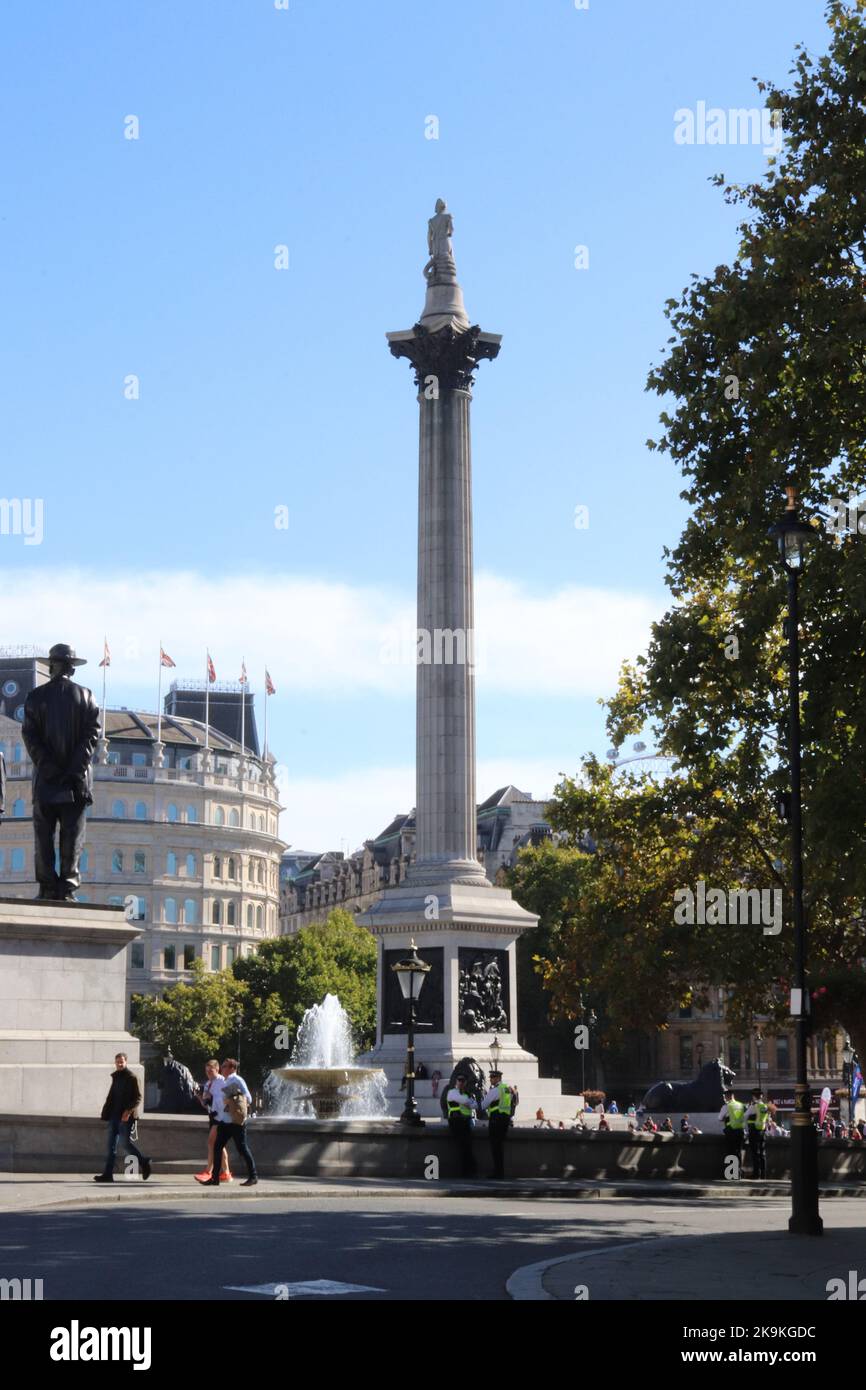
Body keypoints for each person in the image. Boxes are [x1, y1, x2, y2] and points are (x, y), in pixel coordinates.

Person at [21, 643, 100, 901]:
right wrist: (74, 769)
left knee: (43, 837)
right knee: (72, 836)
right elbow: (92, 736)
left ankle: (46, 887)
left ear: (52, 666)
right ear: (72, 669)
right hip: (76, 782)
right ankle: (67, 888)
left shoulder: (35, 697)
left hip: (46, 782)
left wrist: (49, 768)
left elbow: (31, 737)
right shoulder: (87, 696)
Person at [95, 1053, 151, 1183]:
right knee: (111, 1147)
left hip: (125, 1117)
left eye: (122, 1062)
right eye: (117, 1062)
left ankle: (144, 1162)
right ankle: (108, 1174)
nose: (120, 1064)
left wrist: (128, 1112)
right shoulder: (116, 1077)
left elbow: (138, 1098)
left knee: (125, 1144)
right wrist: (106, 1112)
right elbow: (112, 1096)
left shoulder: (132, 1077)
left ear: (126, 1062)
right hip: (114, 1116)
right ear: (115, 1063)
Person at [201, 1059, 257, 1187]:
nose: (222, 1068)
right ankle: (215, 1178)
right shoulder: (225, 1081)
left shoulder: (236, 1080)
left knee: (242, 1149)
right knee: (217, 1147)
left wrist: (233, 1097)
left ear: (232, 1068)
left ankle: (253, 1176)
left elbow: (248, 1098)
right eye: (222, 1066)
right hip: (225, 1121)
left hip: (236, 1121)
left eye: (224, 1066)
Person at [194, 1059, 232, 1183]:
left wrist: (226, 1109)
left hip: (221, 1117)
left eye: (211, 1071)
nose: (208, 1073)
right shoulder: (208, 1084)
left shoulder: (222, 1081)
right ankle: (226, 1173)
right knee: (218, 1144)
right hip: (213, 1116)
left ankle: (208, 1171)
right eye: (207, 1071)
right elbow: (206, 1105)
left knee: (212, 1142)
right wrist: (200, 1097)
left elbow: (233, 1096)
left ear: (217, 1069)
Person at [481, 1069, 518, 1179]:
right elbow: (513, 1102)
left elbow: (483, 1105)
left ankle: (497, 1172)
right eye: (491, 1077)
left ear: (497, 1078)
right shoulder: (507, 1088)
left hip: (495, 1120)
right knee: (500, 1146)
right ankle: (500, 1171)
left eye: (492, 1077)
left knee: (495, 1147)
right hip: (505, 1120)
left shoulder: (495, 1091)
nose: (490, 1079)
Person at [446, 1075, 477, 1176]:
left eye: (463, 1081)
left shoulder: (466, 1094)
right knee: (464, 1147)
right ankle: (466, 1171)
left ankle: (468, 1170)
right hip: (456, 1122)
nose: (461, 1082)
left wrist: (468, 1102)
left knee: (467, 1147)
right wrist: (468, 1102)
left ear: (465, 1083)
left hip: (465, 1122)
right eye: (459, 1080)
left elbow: (475, 1105)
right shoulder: (452, 1092)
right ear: (456, 1081)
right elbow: (465, 1101)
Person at [719, 1088, 747, 1172]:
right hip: (740, 1131)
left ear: (727, 1097)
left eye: (725, 1097)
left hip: (731, 1132)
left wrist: (725, 1118)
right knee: (738, 1151)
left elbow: (720, 1118)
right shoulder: (741, 1105)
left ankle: (732, 1173)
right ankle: (738, 1172)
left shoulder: (727, 1106)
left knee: (730, 1151)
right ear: (733, 1096)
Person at [744, 1088, 770, 1178]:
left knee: (755, 1153)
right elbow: (766, 1119)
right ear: (761, 1096)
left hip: (754, 1131)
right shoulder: (765, 1106)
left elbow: (745, 1116)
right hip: (762, 1130)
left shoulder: (753, 1106)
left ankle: (756, 1174)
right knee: (762, 1153)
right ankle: (763, 1174)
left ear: (754, 1096)